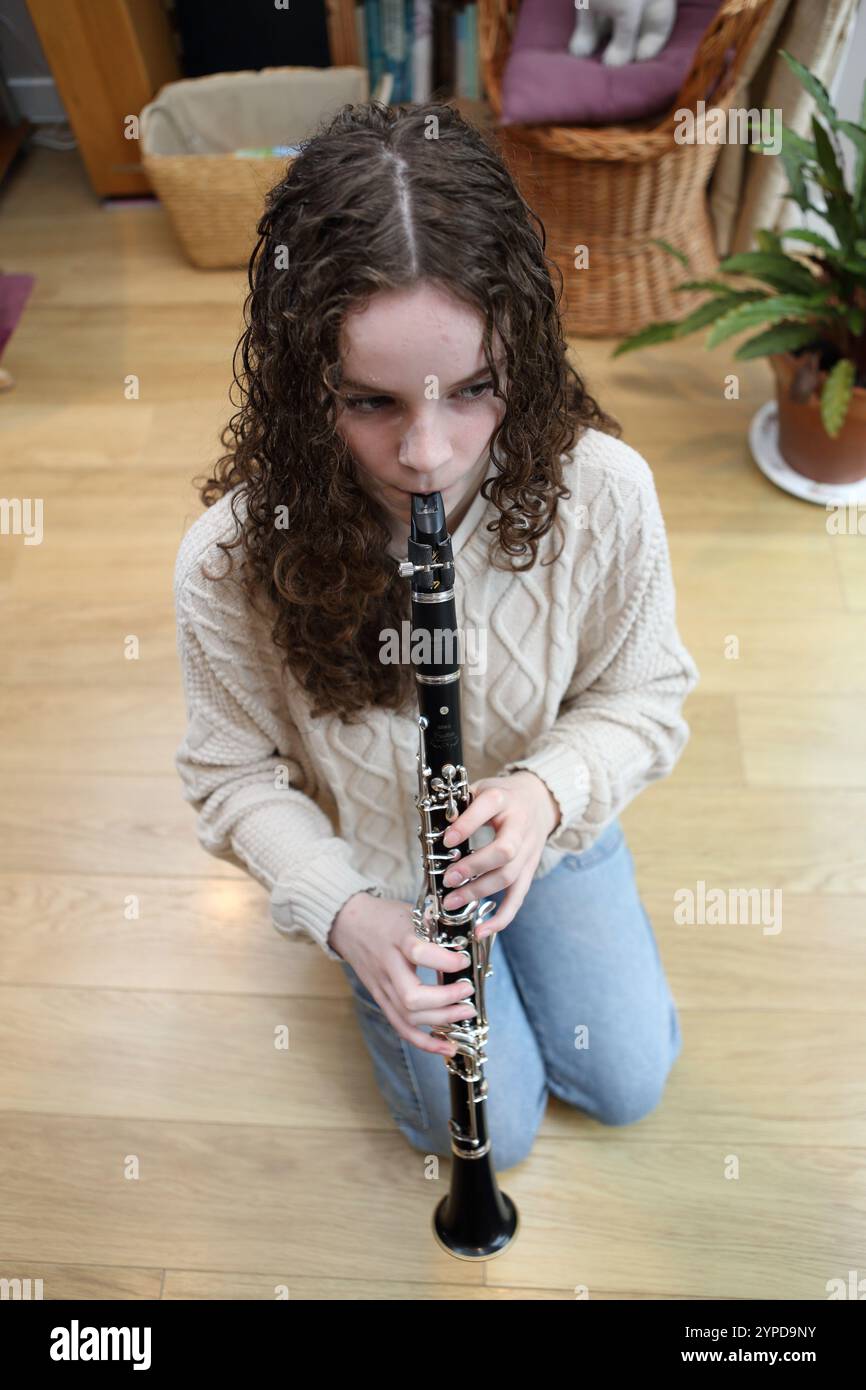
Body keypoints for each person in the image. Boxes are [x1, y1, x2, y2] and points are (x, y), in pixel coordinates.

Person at [173, 101, 700, 1173]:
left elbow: (644, 694)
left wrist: (549, 790)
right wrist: (347, 915)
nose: (426, 451)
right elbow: (230, 779)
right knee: (489, 1141)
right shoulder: (226, 559)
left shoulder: (604, 492)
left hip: (542, 830)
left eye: (474, 389)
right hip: (379, 867)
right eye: (368, 402)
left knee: (626, 1081)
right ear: (298, 379)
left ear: (526, 351)